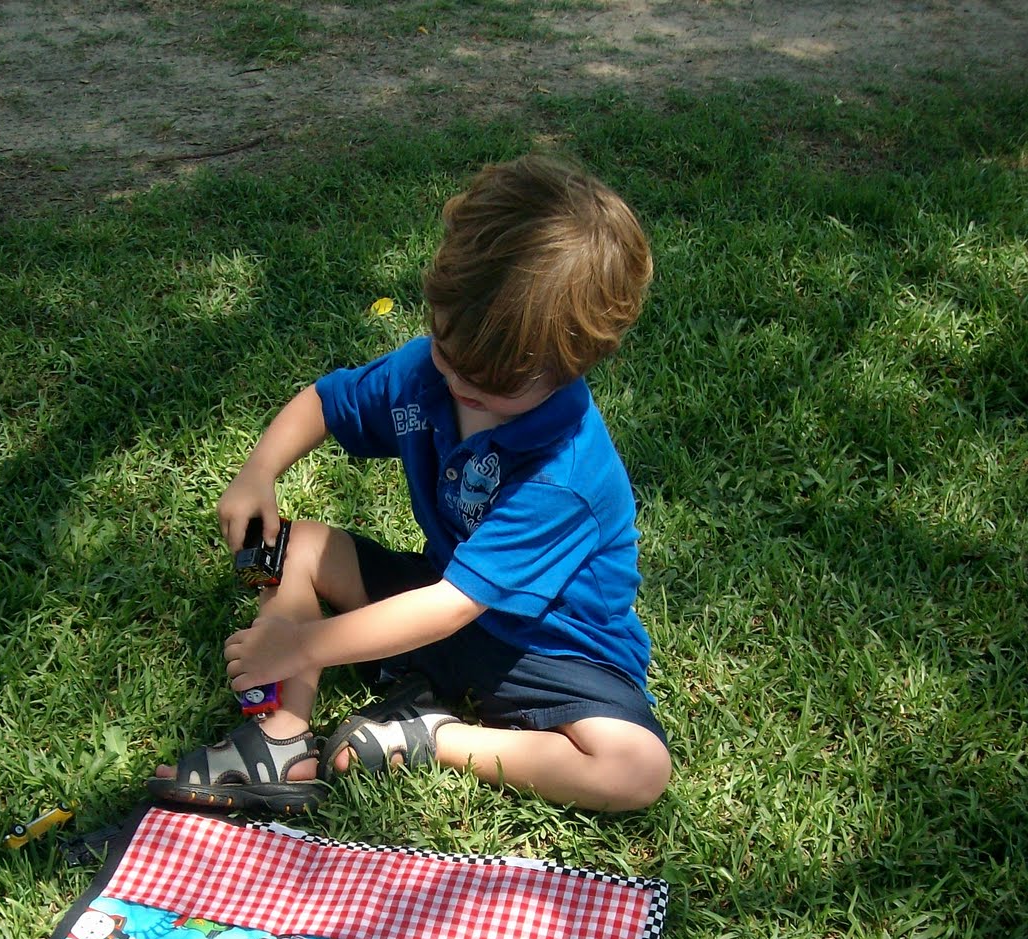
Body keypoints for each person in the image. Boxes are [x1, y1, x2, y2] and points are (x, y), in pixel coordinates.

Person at [150, 153, 671, 816]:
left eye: (496, 386)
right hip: (440, 607)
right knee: (298, 548)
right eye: (449, 356)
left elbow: (454, 605)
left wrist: (303, 642)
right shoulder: (430, 370)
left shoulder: (561, 471)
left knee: (636, 769)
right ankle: (278, 738)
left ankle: (435, 736)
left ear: (573, 365)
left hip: (551, 650)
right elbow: (325, 403)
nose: (460, 387)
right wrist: (258, 471)